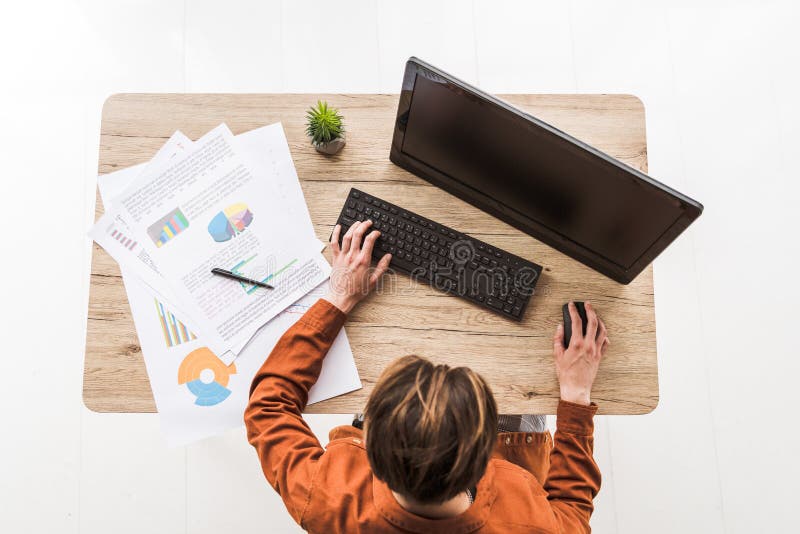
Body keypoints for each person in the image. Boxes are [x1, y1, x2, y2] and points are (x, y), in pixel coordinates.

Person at [245, 219, 608, 533]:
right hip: (513, 448)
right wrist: (575, 396)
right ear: (485, 462)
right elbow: (572, 508)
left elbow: (266, 407)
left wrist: (338, 298)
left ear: (371, 450)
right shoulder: (535, 527)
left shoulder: (324, 498)